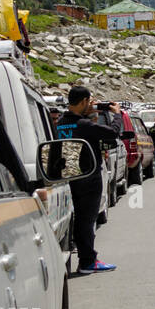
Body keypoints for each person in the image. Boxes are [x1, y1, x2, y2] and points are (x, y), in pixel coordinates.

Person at [54, 86, 123, 273]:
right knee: (87, 220)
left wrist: (89, 116)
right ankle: (87, 261)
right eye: (89, 101)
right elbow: (112, 133)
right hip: (88, 176)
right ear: (84, 101)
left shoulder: (60, 123)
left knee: (77, 220)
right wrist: (117, 115)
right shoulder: (84, 125)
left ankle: (83, 256)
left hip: (69, 176)